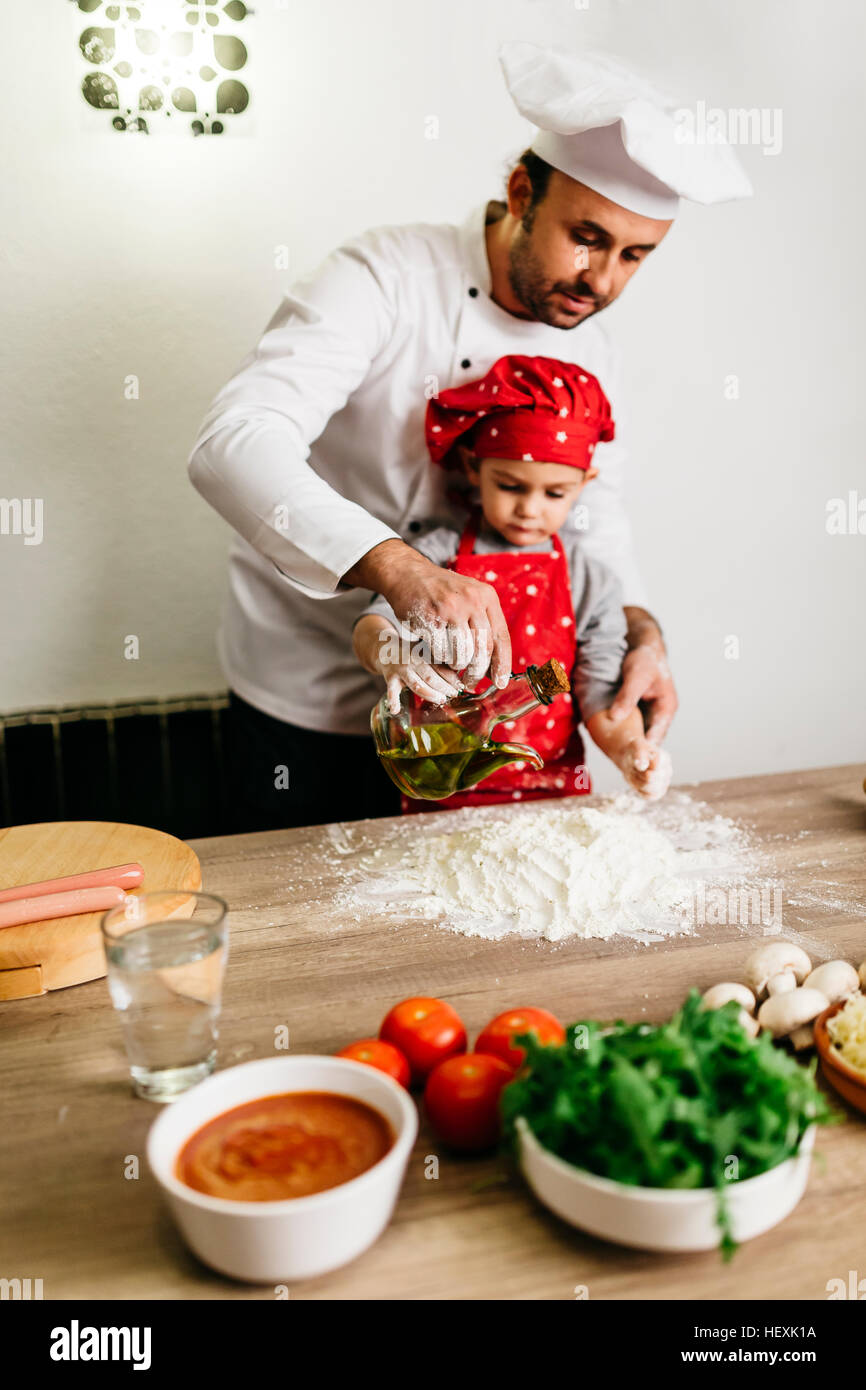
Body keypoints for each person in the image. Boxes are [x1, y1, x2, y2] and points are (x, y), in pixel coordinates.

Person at [187, 43, 751, 830]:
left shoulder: (591, 345)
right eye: (587, 237)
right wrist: (401, 570)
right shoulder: (382, 277)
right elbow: (234, 442)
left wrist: (640, 634)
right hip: (309, 693)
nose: (605, 282)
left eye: (635, 255)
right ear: (522, 191)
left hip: (490, 720)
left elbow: (597, 513)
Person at [354, 354, 672, 811]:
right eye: (509, 486)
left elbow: (602, 696)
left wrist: (631, 752)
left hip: (553, 795)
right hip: (439, 778)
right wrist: (392, 655)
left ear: (585, 483)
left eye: (555, 493)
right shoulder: (433, 559)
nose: (530, 508)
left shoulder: (590, 580)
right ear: (472, 468)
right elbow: (370, 627)